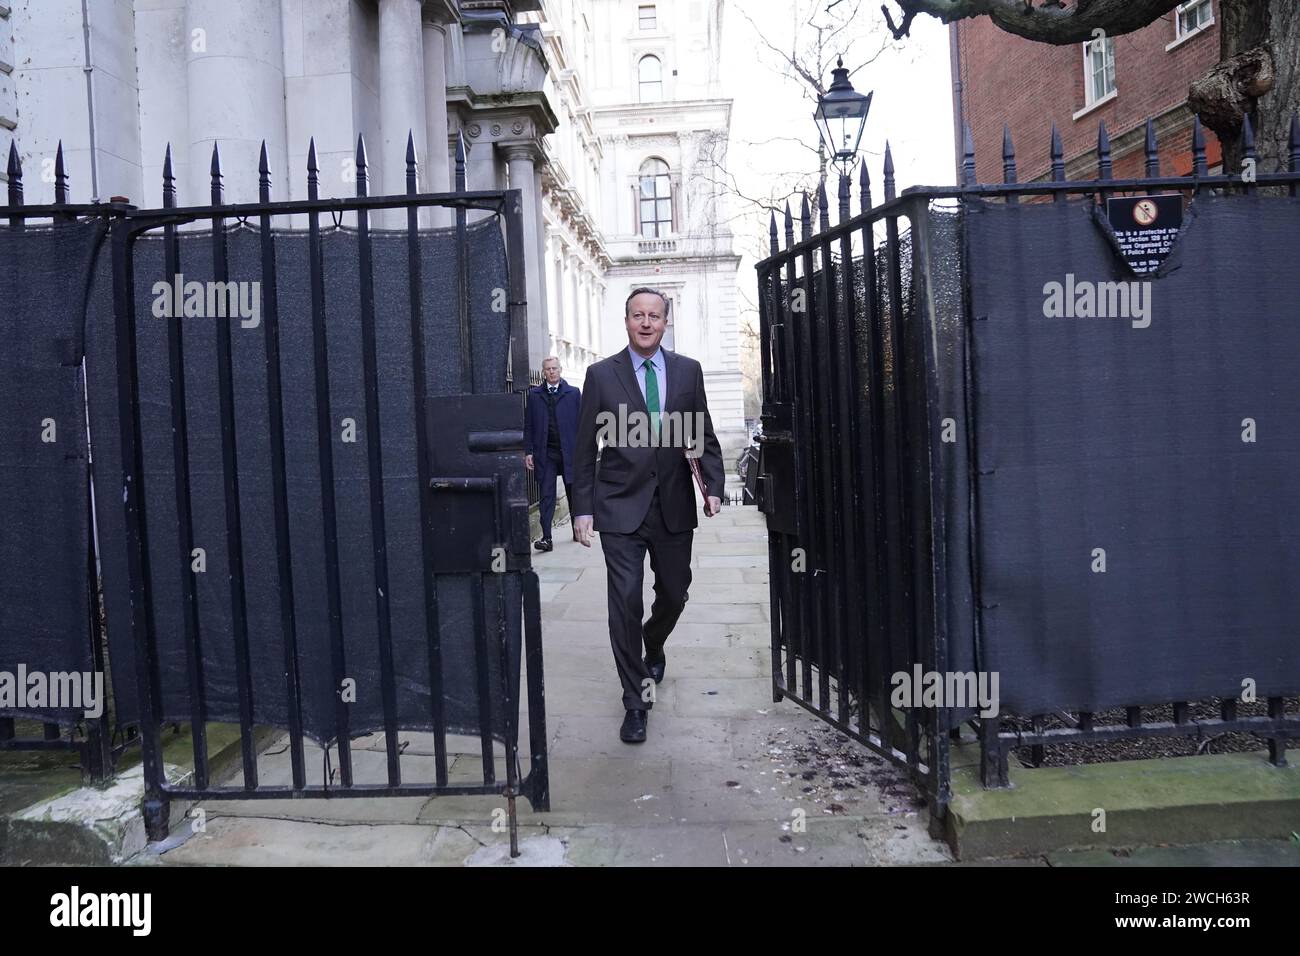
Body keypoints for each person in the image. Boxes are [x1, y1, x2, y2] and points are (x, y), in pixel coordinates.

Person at [572, 288, 724, 743]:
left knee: (675, 594)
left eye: (654, 316)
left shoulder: (687, 371)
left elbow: (703, 434)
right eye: (637, 315)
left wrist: (713, 487)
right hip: (619, 507)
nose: (645, 323)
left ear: (664, 323)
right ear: (626, 321)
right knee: (624, 601)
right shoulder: (601, 375)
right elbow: (583, 450)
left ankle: (653, 641)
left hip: (673, 504)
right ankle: (635, 701)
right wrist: (581, 508)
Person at [524, 356, 580, 551]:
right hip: (546, 453)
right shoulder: (534, 395)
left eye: (555, 368)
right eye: (548, 369)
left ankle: (576, 529)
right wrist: (529, 452)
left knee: (573, 492)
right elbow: (529, 426)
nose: (552, 371)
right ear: (543, 372)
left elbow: (582, 425)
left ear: (561, 370)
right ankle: (547, 538)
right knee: (546, 495)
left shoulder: (573, 393)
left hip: (569, 453)